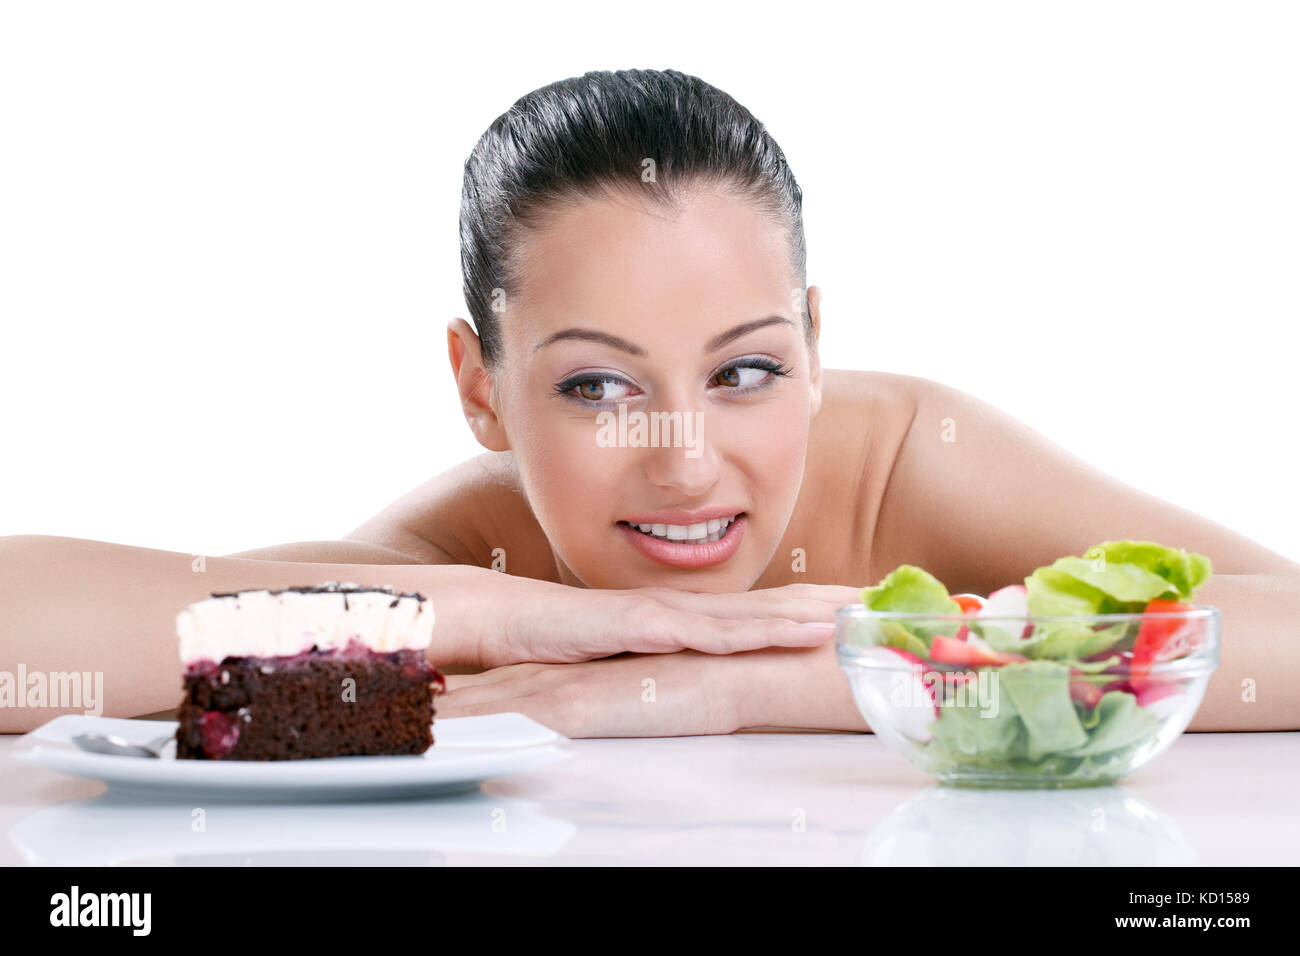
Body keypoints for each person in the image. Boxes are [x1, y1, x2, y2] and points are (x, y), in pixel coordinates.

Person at [3, 69, 1297, 737]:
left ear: (814, 343)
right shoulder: (463, 563)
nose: (686, 464)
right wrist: (529, 623)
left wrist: (733, 685)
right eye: (598, 385)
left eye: (745, 370)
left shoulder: (903, 455)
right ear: (482, 390)